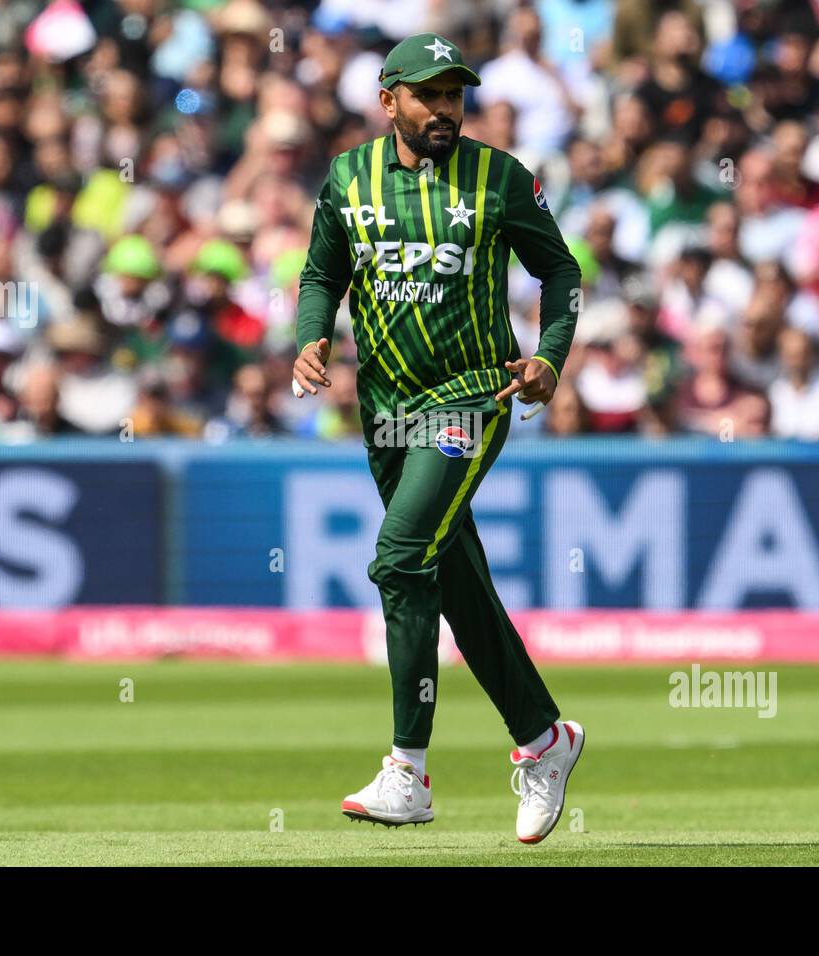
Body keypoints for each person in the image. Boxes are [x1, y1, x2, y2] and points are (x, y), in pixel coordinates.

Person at [292, 33, 585, 844]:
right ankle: (543, 740)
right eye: (429, 95)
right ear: (389, 101)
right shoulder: (349, 177)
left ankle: (408, 773)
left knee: (396, 558)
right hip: (385, 410)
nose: (445, 109)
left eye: (455, 94)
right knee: (448, 580)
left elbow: (559, 271)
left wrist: (549, 359)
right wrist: (311, 336)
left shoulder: (498, 176)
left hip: (469, 398)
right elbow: (323, 273)